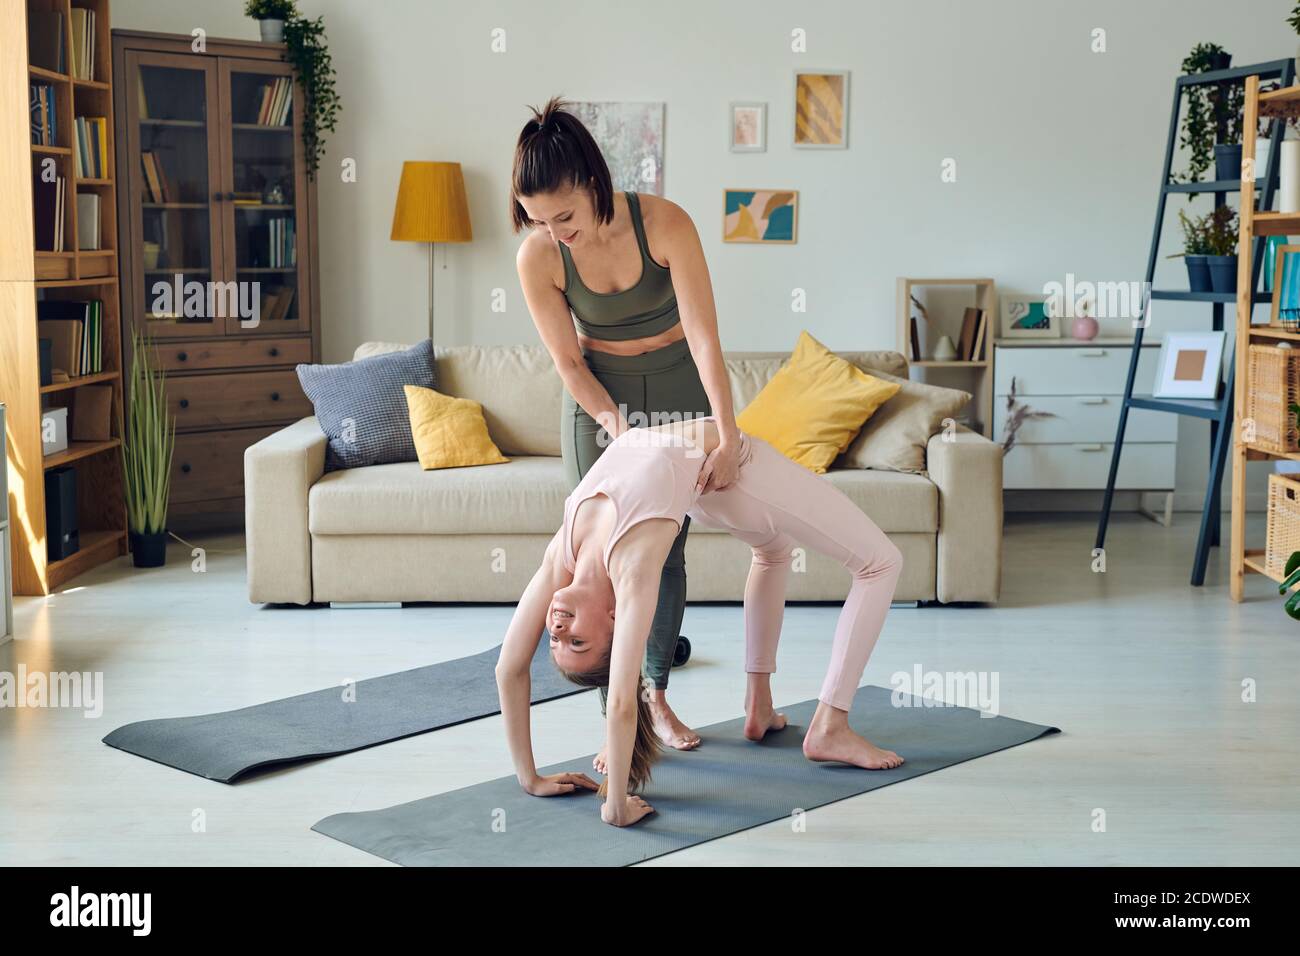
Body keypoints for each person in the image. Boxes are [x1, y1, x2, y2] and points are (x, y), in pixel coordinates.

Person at [495, 416, 904, 828]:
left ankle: (758, 707)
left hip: (704, 484)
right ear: (614, 619)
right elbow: (621, 700)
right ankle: (830, 726)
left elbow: (509, 668)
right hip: (735, 471)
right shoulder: (633, 570)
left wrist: (530, 778)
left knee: (773, 551)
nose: (559, 631)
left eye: (556, 642)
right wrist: (616, 805)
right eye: (577, 643)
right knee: (880, 563)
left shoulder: (563, 554)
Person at [510, 96, 746, 753]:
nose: (556, 232)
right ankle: (615, 715)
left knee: (664, 551)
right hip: (598, 400)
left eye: (564, 216)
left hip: (677, 386)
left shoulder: (665, 223)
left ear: (593, 186)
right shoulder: (539, 258)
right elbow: (567, 362)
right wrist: (619, 427)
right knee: (594, 550)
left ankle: (656, 698)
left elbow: (703, 336)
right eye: (538, 220)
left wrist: (726, 432)